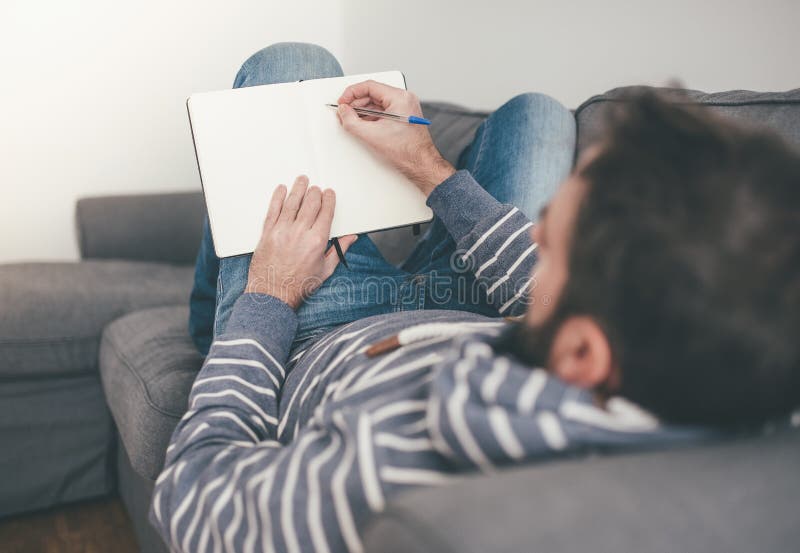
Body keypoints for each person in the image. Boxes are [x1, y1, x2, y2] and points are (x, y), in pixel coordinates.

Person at [152, 42, 800, 553]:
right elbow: (548, 292)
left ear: (583, 352)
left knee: (291, 64)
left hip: (320, 326)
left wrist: (268, 295)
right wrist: (426, 166)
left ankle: (214, 320)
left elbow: (191, 494)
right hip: (470, 315)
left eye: (552, 241)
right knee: (537, 114)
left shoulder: (387, 474)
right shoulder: (734, 361)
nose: (531, 236)